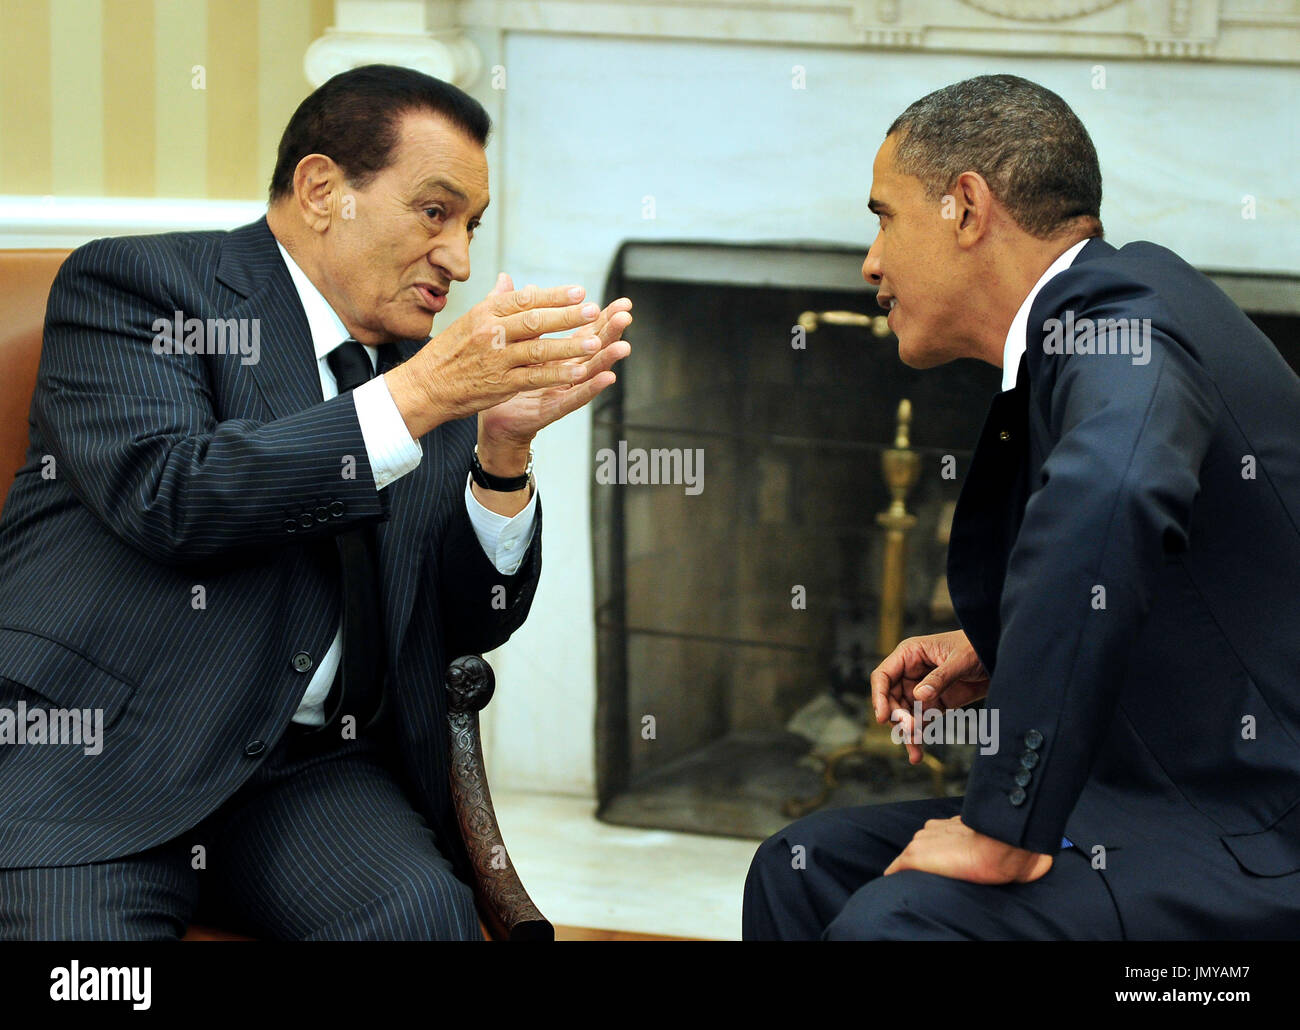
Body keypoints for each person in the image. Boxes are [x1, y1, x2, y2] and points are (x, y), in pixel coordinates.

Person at [0, 64, 630, 940]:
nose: (459, 258)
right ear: (322, 188)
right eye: (435, 212)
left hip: (308, 777)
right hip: (108, 755)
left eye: (472, 226)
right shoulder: (143, 287)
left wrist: (502, 452)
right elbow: (173, 495)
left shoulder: (428, 380)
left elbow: (469, 620)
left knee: (418, 921)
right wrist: (419, 398)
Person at [744, 73, 1300, 940]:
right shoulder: (1099, 317)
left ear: (966, 207)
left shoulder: (1122, 321)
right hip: (1170, 798)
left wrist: (1006, 822)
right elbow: (1170, 569)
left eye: (884, 215)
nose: (871, 263)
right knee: (798, 871)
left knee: (896, 925)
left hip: (1254, 828)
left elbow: (1112, 495)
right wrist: (1001, 650)